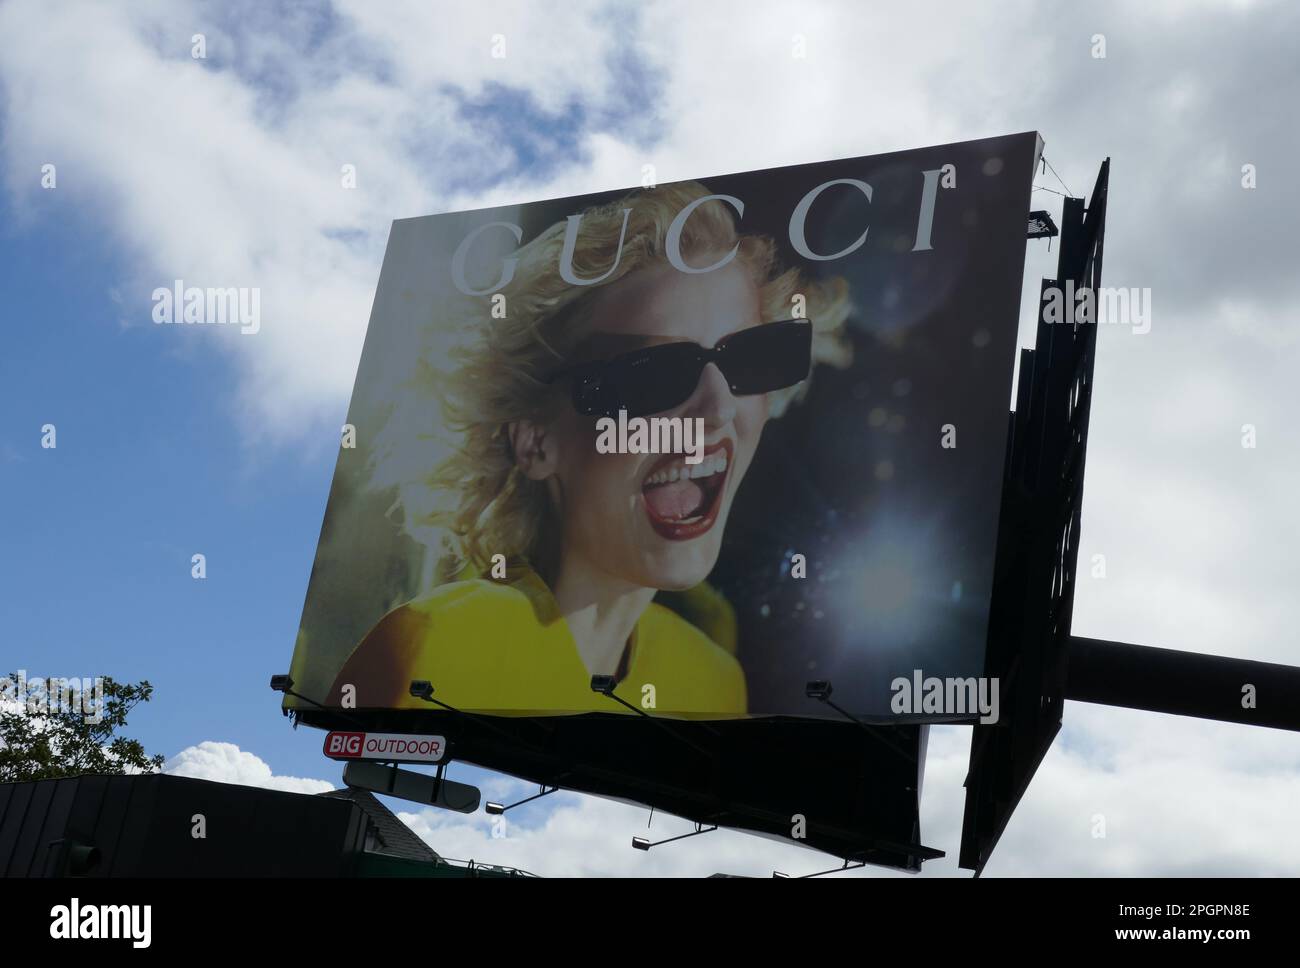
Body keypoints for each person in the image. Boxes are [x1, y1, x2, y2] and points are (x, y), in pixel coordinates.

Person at [329, 181, 850, 718]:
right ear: (535, 440)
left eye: (749, 358)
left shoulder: (712, 683)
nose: (718, 411)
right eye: (653, 374)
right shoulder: (433, 648)